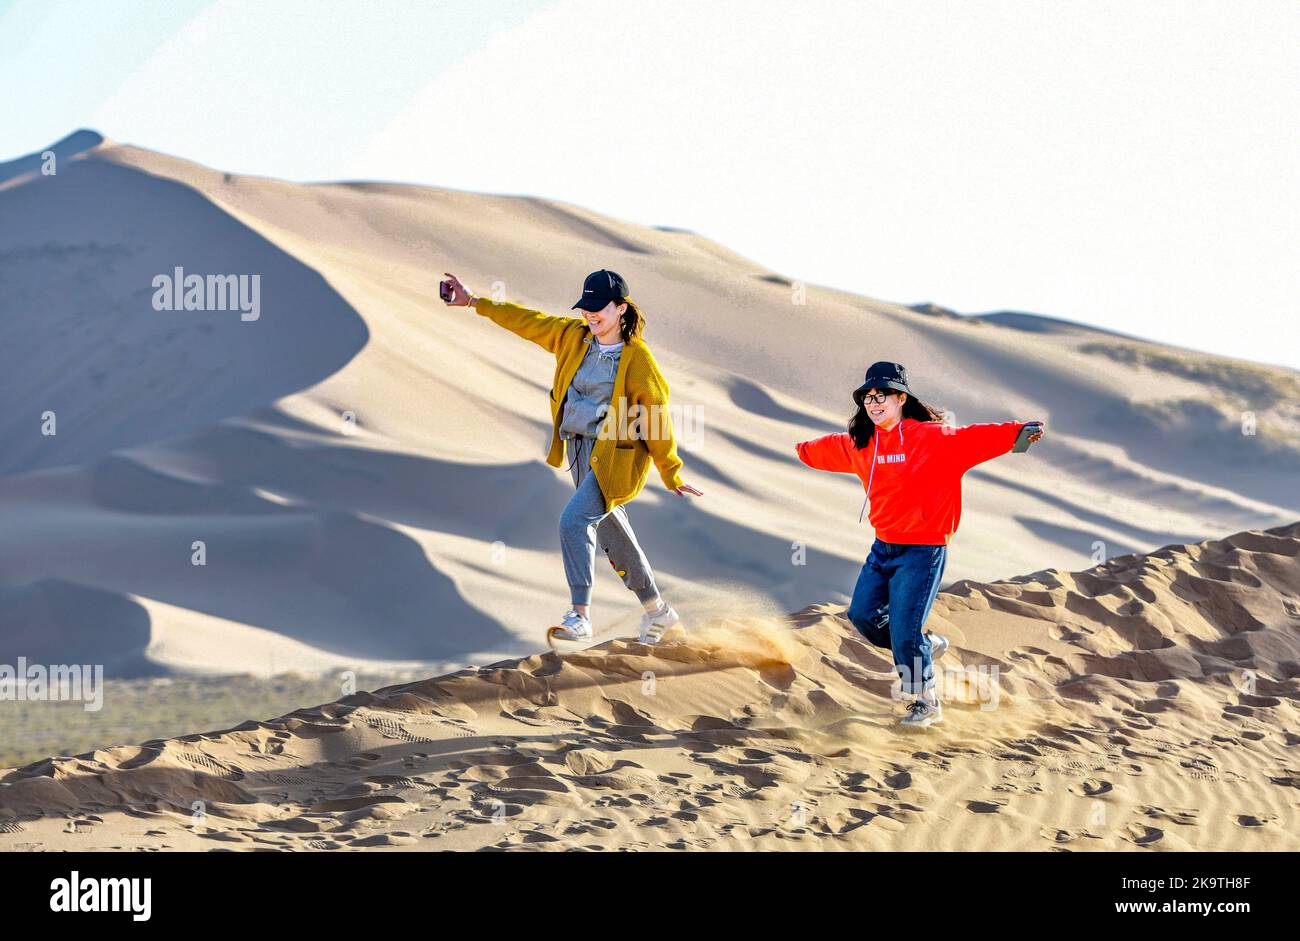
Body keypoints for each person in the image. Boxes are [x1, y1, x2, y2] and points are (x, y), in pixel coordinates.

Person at [439, 269, 702, 644]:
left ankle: (580, 616)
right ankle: (659, 613)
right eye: (586, 308)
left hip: (615, 455)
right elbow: (528, 321)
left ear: (621, 309)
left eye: (599, 309)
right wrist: (474, 302)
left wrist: (671, 471)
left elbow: (656, 415)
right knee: (614, 536)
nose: (591, 315)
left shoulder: (637, 358)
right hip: (579, 451)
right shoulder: (573, 337)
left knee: (573, 522)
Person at [795, 361, 1044, 728]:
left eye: (882, 395)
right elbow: (822, 449)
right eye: (867, 397)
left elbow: (976, 437)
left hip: (923, 552)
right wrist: (801, 450)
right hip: (883, 549)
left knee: (905, 630)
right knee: (862, 616)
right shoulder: (862, 444)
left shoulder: (934, 438)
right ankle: (926, 645)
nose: (873, 402)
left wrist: (1018, 433)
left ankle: (924, 702)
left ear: (901, 398)